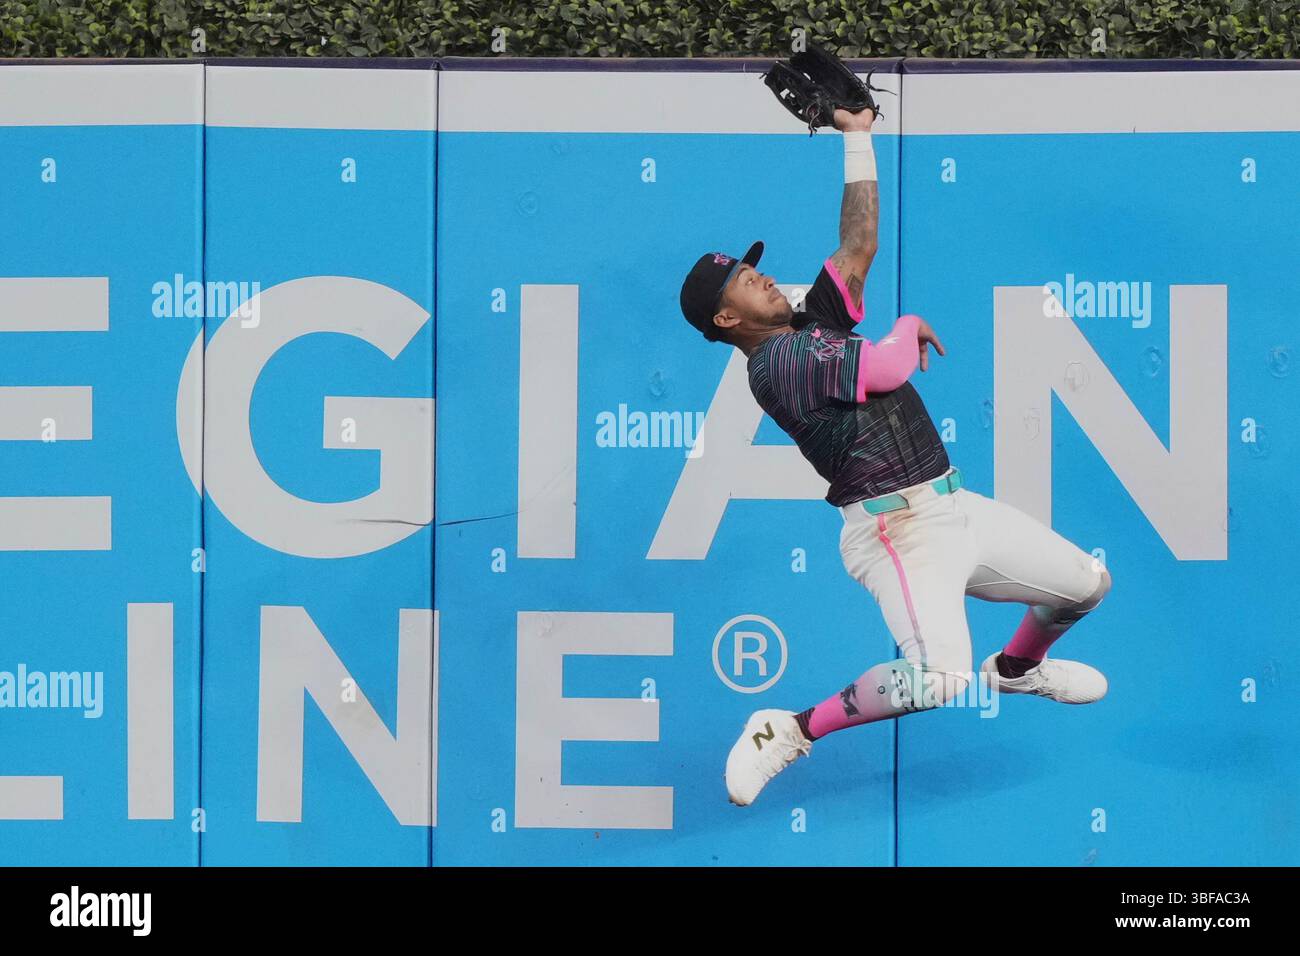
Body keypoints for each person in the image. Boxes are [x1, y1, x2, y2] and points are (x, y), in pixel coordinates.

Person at [678, 105, 1113, 808]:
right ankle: (789, 728)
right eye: (741, 281)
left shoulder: (806, 322)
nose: (758, 276)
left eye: (752, 268)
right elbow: (885, 366)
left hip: (953, 505)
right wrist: (907, 325)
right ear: (726, 320)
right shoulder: (777, 362)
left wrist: (857, 137)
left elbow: (859, 244)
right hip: (897, 533)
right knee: (941, 679)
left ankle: (1019, 667)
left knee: (1087, 587)